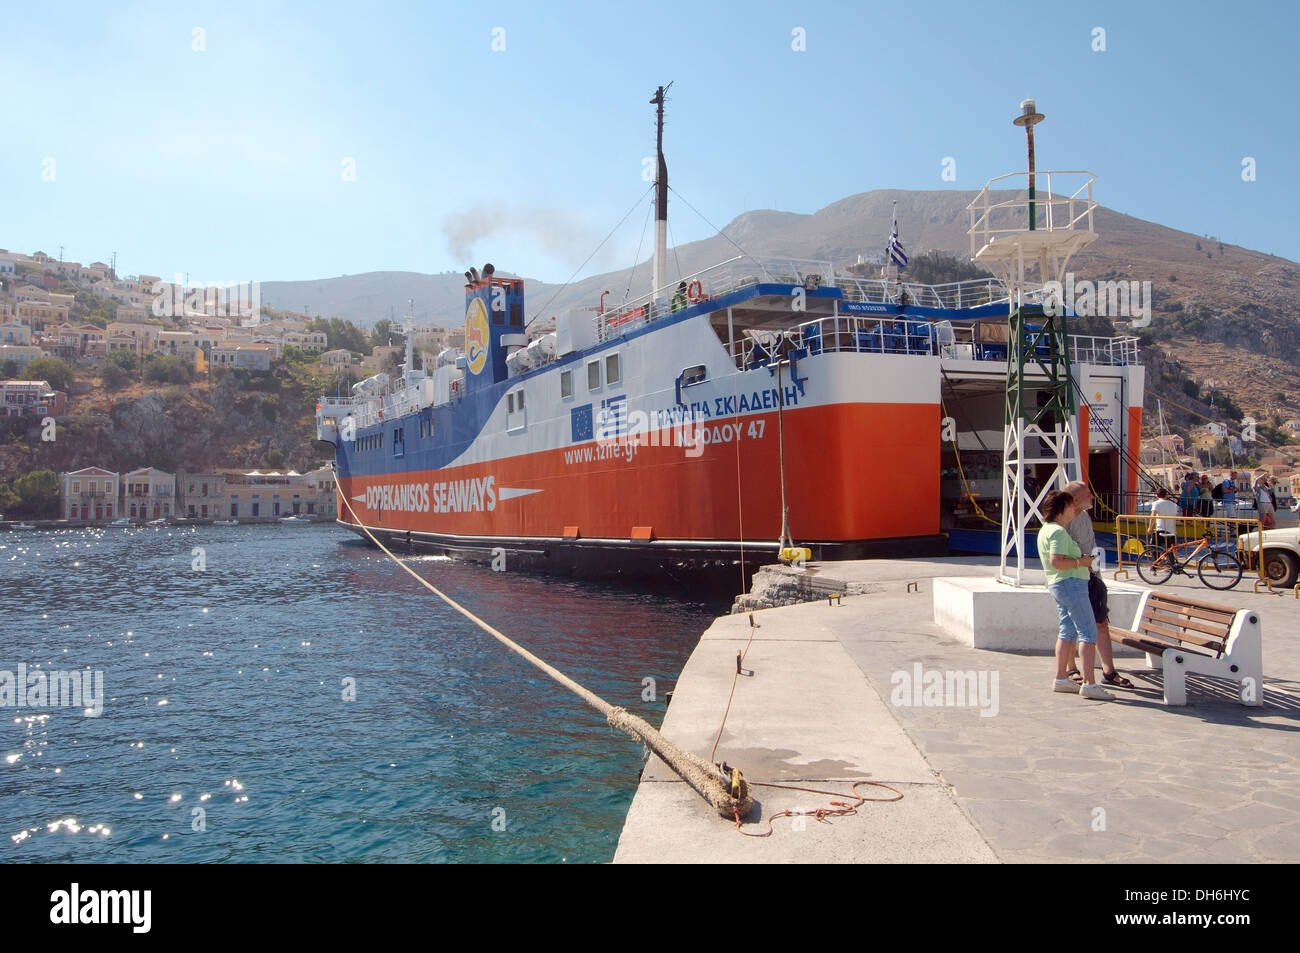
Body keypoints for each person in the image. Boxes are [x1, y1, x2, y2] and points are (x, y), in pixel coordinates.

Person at [1037, 488, 1114, 700]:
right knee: (1088, 633)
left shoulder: (1047, 529)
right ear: (1062, 508)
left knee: (1067, 631)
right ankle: (1089, 683)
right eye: (1072, 505)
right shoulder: (1059, 532)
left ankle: (1061, 678)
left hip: (1060, 584)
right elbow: (1057, 561)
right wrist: (1083, 562)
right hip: (1072, 584)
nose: (1075, 509)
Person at [1063, 481, 1133, 688]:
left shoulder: (1084, 516)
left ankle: (1109, 671)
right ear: (1075, 499)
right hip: (1074, 579)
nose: (1092, 497)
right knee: (1071, 625)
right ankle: (1071, 668)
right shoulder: (1063, 520)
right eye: (1088, 494)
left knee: (1101, 623)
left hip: (1094, 578)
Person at [1148, 486, 1179, 550]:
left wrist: (1150, 527)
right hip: (1171, 530)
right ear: (1166, 495)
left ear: (1157, 495)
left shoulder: (1156, 503)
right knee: (1171, 550)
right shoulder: (1173, 505)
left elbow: (1153, 516)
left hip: (1161, 529)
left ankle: (1156, 556)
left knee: (1154, 548)